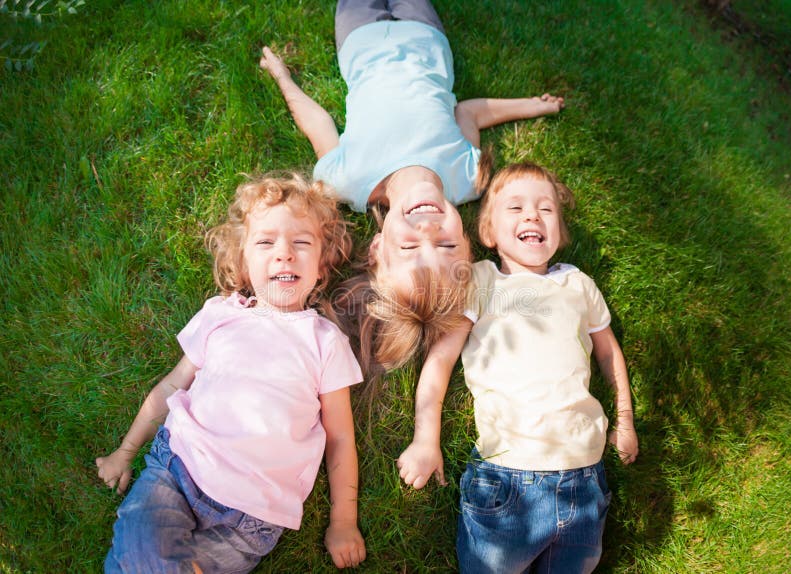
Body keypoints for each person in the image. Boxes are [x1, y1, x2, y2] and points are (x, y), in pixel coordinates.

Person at [260, 0, 564, 372]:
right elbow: (469, 113)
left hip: (361, 41)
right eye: (447, 244)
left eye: (409, 246)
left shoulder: (348, 183)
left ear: (377, 247)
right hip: (426, 38)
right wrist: (532, 105)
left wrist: (282, 78)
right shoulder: (467, 178)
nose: (428, 229)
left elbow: (317, 123)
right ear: (468, 243)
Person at [96, 174, 367, 572]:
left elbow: (340, 437)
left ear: (322, 264)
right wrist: (126, 451)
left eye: (302, 242)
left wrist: (344, 522)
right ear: (241, 259)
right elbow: (172, 385)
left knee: (138, 564)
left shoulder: (325, 342)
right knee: (142, 552)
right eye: (265, 241)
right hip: (178, 471)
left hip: (252, 516)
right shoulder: (221, 314)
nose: (284, 254)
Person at [396, 163, 639, 572]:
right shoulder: (481, 281)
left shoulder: (578, 284)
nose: (532, 216)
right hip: (507, 481)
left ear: (559, 233)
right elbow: (441, 359)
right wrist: (425, 439)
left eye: (546, 210)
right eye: (516, 208)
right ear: (489, 233)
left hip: (583, 481)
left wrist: (626, 421)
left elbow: (609, 354)